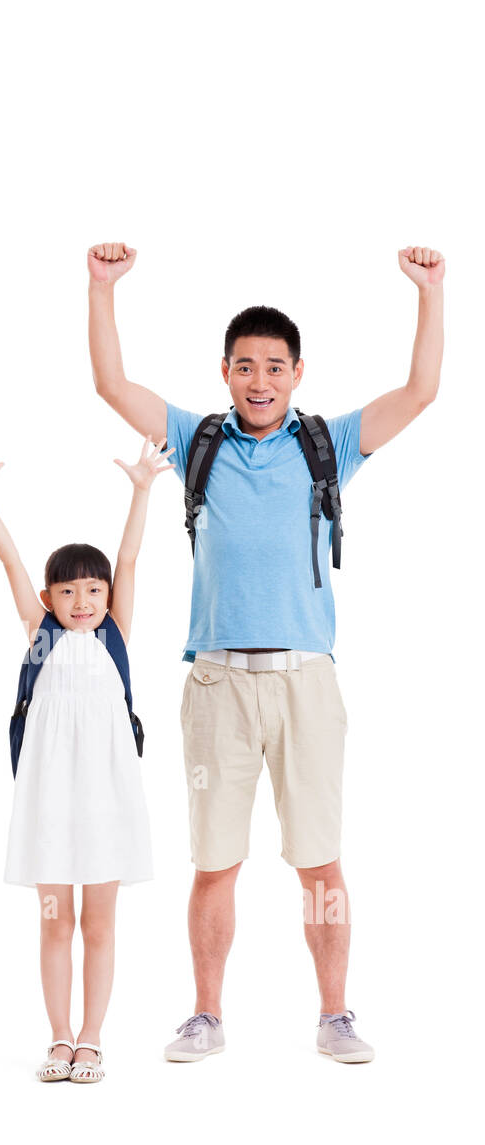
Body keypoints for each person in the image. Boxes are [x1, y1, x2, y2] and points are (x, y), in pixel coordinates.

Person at [87, 242, 445, 1065]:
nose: (259, 380)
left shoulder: (330, 446)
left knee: (321, 862)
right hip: (216, 683)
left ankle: (336, 1015)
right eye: (245, 366)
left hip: (306, 684)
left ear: (297, 374)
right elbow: (112, 384)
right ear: (224, 371)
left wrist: (430, 292)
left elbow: (421, 391)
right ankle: (206, 1014)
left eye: (274, 367)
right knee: (216, 862)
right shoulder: (193, 442)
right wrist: (102, 288)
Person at [0, 437, 171, 1082]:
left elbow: (129, 555)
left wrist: (141, 489)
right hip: (48, 801)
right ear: (48, 597)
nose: (82, 601)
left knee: (99, 922)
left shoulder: (115, 636)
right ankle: (59, 1038)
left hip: (107, 799)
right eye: (67, 591)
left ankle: (93, 1038)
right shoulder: (40, 637)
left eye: (92, 590)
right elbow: (8, 558)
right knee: (53, 923)